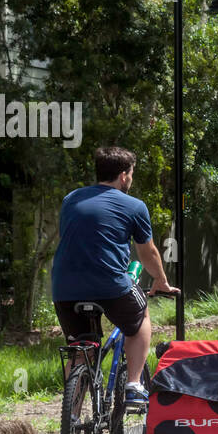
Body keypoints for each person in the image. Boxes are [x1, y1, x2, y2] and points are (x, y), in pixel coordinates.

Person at [51, 146, 179, 405]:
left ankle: (71, 418)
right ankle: (133, 383)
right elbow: (148, 252)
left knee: (80, 351)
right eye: (131, 174)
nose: (131, 179)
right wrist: (161, 280)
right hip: (110, 285)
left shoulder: (70, 199)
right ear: (124, 175)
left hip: (64, 287)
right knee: (140, 315)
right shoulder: (134, 206)